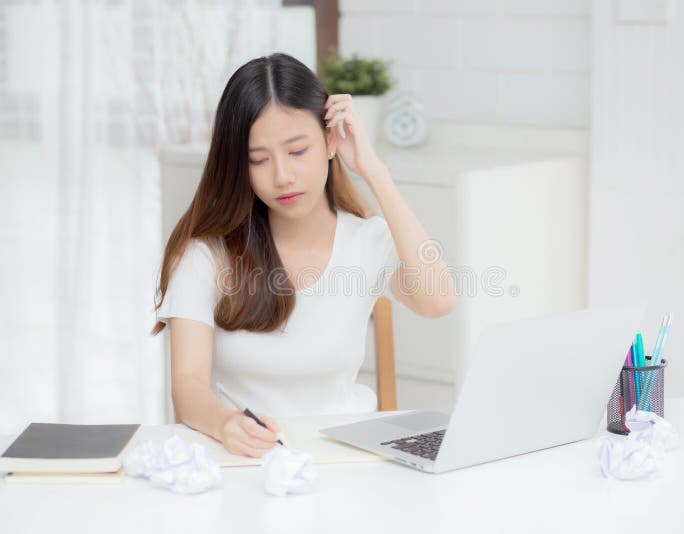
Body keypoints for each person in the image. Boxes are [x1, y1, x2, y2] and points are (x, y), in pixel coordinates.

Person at [151, 52, 456, 458]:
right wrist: (225, 424)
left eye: (297, 151)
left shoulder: (366, 241)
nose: (282, 176)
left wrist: (374, 170)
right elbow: (187, 386)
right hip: (249, 461)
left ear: (331, 141)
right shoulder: (206, 255)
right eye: (258, 159)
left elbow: (438, 301)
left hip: (349, 458)